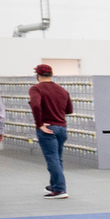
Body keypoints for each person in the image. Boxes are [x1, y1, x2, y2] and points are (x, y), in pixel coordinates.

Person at [27, 63, 72, 199]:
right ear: (51, 74)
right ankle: (54, 185)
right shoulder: (62, 90)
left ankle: (60, 189)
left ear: (37, 75)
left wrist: (39, 124)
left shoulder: (36, 88)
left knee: (52, 159)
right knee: (57, 158)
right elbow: (69, 110)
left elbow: (35, 105)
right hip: (62, 127)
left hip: (48, 128)